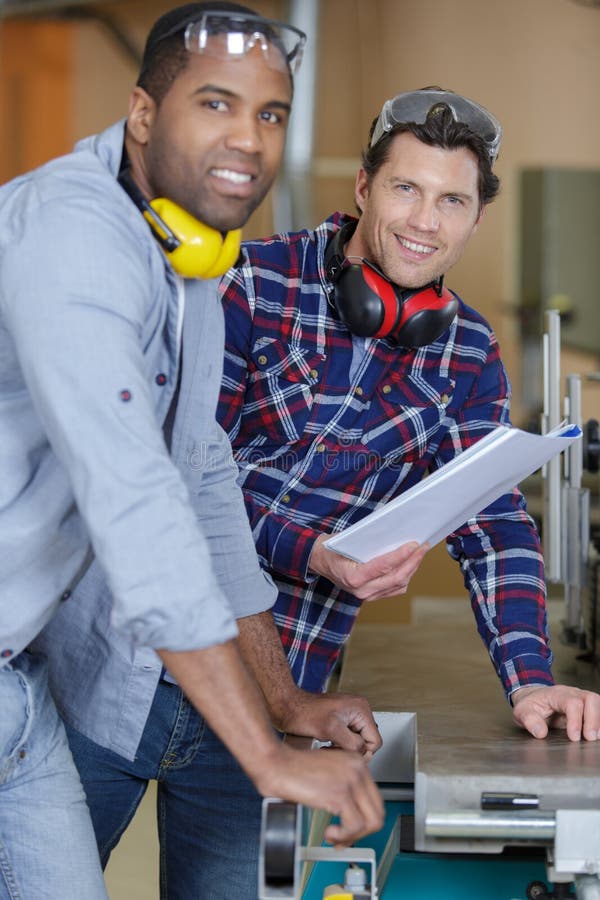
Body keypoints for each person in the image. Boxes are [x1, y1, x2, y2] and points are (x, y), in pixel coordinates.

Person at [0, 4, 385, 898]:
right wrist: (268, 758)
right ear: (143, 114)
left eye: (271, 112)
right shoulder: (76, 235)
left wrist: (281, 700)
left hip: (16, 682)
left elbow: (201, 476)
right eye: (215, 103)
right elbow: (137, 504)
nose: (247, 137)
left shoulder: (188, 260)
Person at [216, 86, 600, 741]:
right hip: (145, 660)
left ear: (477, 218)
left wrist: (531, 678)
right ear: (364, 186)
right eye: (406, 189)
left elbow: (494, 525)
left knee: (240, 851)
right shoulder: (251, 282)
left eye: (452, 200)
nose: (426, 221)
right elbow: (180, 475)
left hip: (288, 686)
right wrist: (312, 553)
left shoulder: (469, 352)